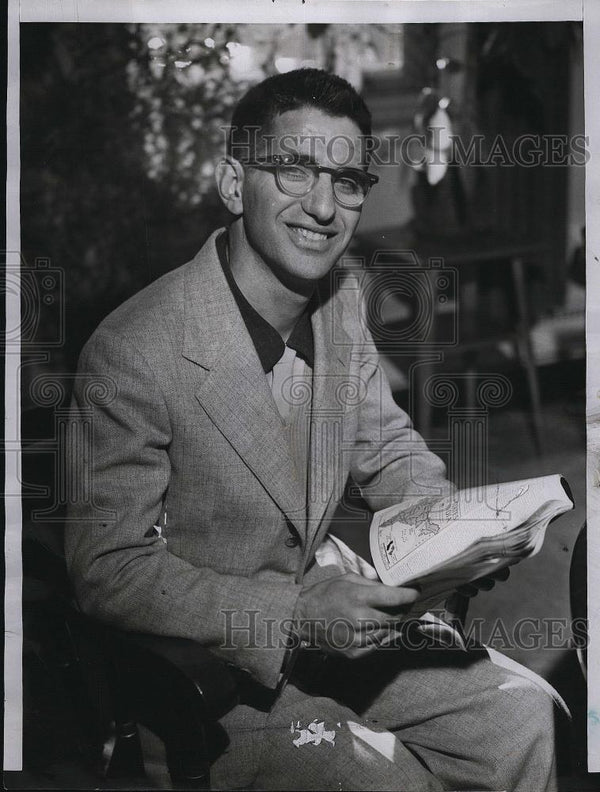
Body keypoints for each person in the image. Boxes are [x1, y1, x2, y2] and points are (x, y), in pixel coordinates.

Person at [65, 68, 559, 791]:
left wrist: (459, 534)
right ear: (235, 184)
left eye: (348, 180)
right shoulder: (133, 351)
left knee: (523, 712)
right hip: (215, 681)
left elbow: (387, 450)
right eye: (294, 170)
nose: (324, 206)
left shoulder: (339, 306)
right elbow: (108, 570)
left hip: (341, 627)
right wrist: (294, 616)